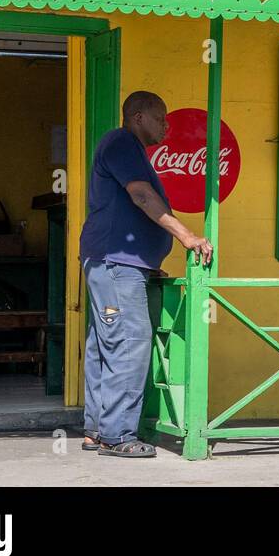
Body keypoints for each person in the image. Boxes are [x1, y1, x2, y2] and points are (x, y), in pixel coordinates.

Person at [78, 91, 213, 457]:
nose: (166, 126)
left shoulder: (129, 149)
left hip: (118, 263)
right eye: (160, 118)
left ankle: (96, 429)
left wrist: (147, 260)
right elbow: (140, 195)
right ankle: (118, 435)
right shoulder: (122, 142)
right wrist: (185, 235)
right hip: (115, 264)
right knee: (130, 342)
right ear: (138, 117)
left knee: (105, 345)